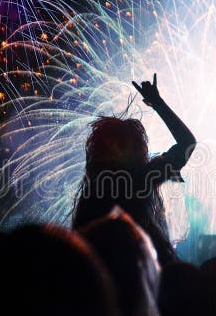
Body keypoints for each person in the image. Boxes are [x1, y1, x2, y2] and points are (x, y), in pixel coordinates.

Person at [73, 73, 196, 266]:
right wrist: (158, 104)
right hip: (148, 272)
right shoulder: (143, 179)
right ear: (139, 148)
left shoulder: (92, 193)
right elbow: (187, 143)